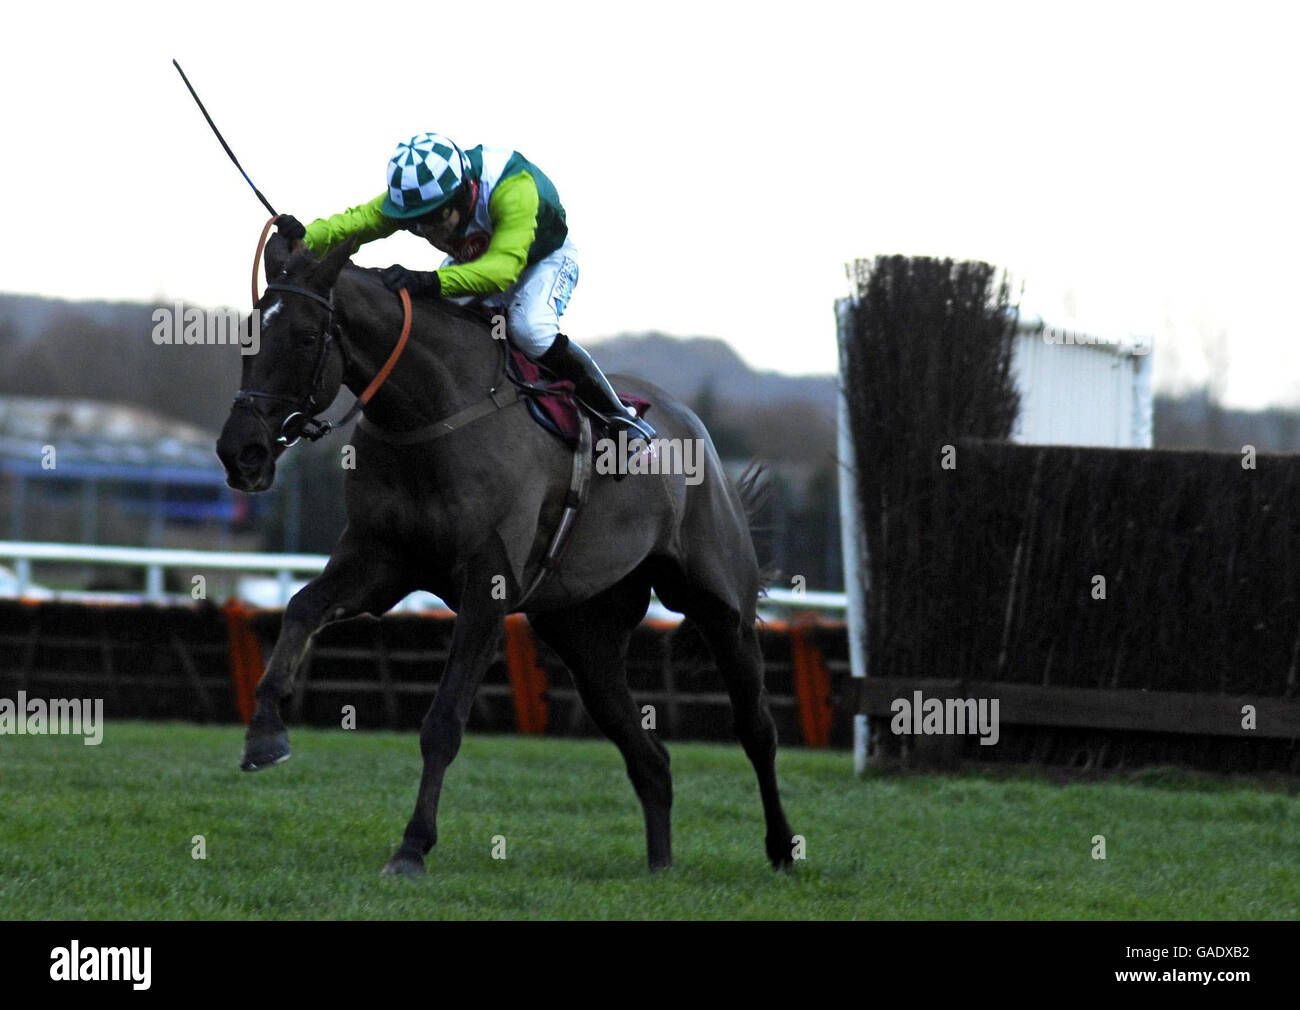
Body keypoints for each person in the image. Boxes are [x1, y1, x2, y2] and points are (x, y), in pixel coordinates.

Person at [276, 132, 654, 441]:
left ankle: (621, 419)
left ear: (464, 192)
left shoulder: (513, 187)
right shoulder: (420, 198)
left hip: (543, 260)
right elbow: (356, 224)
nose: (429, 230)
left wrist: (430, 280)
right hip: (478, 263)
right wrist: (307, 236)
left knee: (529, 329)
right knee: (431, 323)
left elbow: (503, 270)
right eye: (417, 222)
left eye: (436, 219)